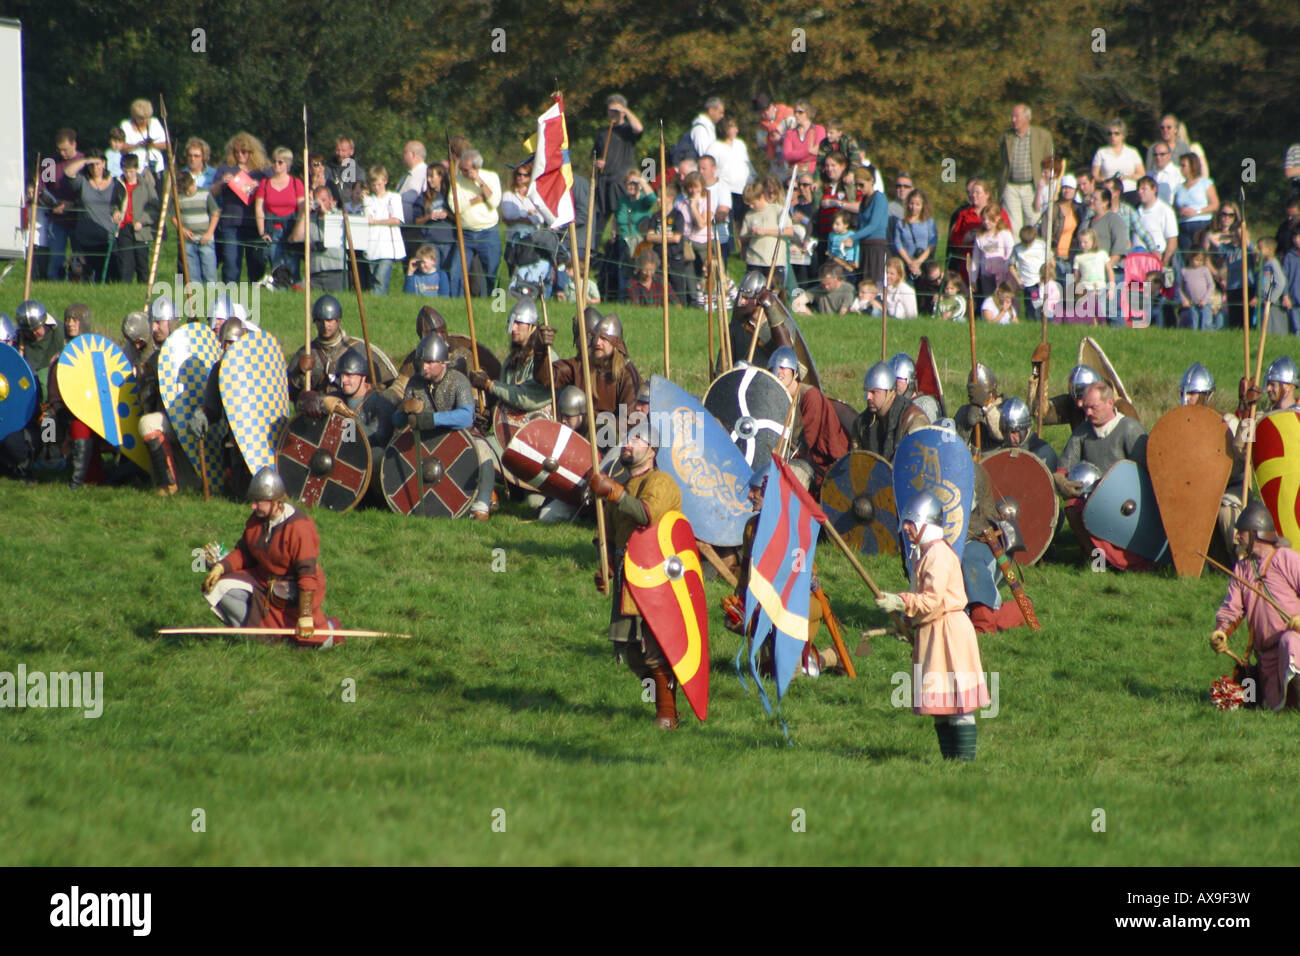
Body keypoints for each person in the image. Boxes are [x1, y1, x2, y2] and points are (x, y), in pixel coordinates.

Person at [586, 411, 684, 729]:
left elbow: (645, 514)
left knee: (655, 648)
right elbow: (612, 536)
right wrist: (606, 567)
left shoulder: (661, 482)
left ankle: (666, 714)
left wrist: (612, 491)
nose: (627, 444)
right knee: (631, 652)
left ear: (652, 450)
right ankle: (662, 703)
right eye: (626, 440)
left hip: (655, 578)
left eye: (636, 439)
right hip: (627, 577)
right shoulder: (625, 485)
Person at [875, 491, 990, 760]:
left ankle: (963, 764)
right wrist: (908, 622)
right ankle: (949, 763)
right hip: (934, 632)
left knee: (958, 702)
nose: (905, 527)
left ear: (926, 524)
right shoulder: (924, 553)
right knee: (939, 704)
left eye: (911, 523)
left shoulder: (937, 554)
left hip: (949, 632)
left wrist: (900, 601)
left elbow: (932, 600)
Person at [201, 466, 339, 648]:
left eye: (259, 502)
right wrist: (221, 567)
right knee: (217, 587)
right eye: (253, 501)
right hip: (263, 583)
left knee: (309, 643)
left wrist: (305, 615)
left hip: (292, 595)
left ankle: (330, 631)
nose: (253, 506)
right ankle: (253, 636)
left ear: (276, 502)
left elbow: (307, 575)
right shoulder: (256, 521)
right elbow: (244, 552)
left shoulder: (299, 528)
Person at [1054, 380, 1151, 571]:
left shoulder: (1130, 430)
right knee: (1073, 508)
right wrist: (1061, 482)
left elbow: (1144, 475)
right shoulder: (1082, 432)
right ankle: (1098, 564)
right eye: (1086, 408)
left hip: (1127, 502)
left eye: (1093, 407)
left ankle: (1132, 563)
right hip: (1090, 500)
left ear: (1110, 403)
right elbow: (1063, 469)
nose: (1088, 413)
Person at [1210, 504, 1300, 711]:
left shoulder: (1287, 559)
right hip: (1267, 657)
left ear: (1256, 533)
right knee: (1226, 697)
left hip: (1295, 643)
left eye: (1242, 532)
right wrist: (1221, 631)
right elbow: (1231, 608)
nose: (1237, 537)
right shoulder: (1242, 569)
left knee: (1290, 641)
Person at [396, 333, 495, 521]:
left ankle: (481, 504)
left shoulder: (458, 381)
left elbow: (466, 418)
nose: (424, 367)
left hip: (456, 441)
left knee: (482, 448)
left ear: (442, 362)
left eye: (429, 363)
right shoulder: (415, 383)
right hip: (425, 443)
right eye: (422, 362)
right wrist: (402, 411)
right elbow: (397, 422)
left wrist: (431, 420)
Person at [534, 313, 641, 456]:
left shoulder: (627, 375)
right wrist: (541, 350)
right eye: (596, 337)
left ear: (615, 343)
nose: (597, 343)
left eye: (604, 338)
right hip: (576, 439)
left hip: (610, 447)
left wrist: (592, 422)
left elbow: (630, 420)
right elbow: (547, 377)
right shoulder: (581, 364)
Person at [769, 346, 848, 489]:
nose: (778, 372)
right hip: (786, 456)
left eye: (783, 367)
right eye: (775, 368)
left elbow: (807, 443)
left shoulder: (809, 396)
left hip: (816, 463)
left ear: (794, 372)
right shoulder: (775, 397)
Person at [211, 132, 271, 282]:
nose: (240, 155)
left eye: (244, 152)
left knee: (256, 262)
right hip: (231, 223)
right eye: (236, 151)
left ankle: (255, 290)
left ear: (252, 152)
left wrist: (260, 185)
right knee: (231, 262)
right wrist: (222, 182)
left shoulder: (262, 170)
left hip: (254, 223)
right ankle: (229, 293)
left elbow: (273, 188)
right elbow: (212, 192)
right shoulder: (226, 167)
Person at [60, 149, 124, 283]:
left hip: (108, 235)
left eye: (98, 164)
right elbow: (68, 172)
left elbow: (120, 203)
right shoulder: (82, 182)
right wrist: (86, 160)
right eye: (92, 165)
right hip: (86, 238)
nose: (95, 168)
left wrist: (118, 212)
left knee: (113, 274)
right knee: (91, 275)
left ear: (104, 164)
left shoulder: (115, 183)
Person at [447, 149, 502, 298]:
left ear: (476, 168)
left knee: (491, 270)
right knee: (456, 270)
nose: (462, 172)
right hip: (465, 233)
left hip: (488, 232)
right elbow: (455, 206)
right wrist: (476, 200)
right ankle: (455, 301)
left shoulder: (491, 177)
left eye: (466, 169)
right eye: (461, 168)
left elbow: (494, 202)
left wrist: (481, 183)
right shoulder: (456, 180)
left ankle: (492, 300)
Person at [592, 94, 644, 247]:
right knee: (598, 219)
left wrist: (625, 111)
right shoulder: (602, 132)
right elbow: (594, 156)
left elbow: (639, 128)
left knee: (622, 217)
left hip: (621, 181)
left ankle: (625, 249)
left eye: (616, 110)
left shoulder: (628, 131)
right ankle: (593, 253)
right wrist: (597, 163)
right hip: (603, 181)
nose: (612, 113)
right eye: (610, 110)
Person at [852, 361, 929, 460]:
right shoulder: (862, 424)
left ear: (890, 392)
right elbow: (856, 463)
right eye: (867, 391)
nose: (868, 397)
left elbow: (918, 464)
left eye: (874, 392)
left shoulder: (913, 420)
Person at [999, 103, 1055, 235]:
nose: (1013, 120)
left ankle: (1032, 252)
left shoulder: (1043, 136)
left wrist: (1045, 181)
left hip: (1032, 186)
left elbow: (1050, 160)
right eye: (1012, 116)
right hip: (1011, 186)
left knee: (1033, 221)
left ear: (1027, 117)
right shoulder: (1006, 136)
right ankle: (1015, 253)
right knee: (1012, 225)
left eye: (1016, 116)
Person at [175, 169, 220, 282]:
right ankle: (196, 295)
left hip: (206, 238)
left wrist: (209, 233)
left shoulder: (205, 194)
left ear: (193, 182)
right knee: (192, 274)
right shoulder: (178, 197)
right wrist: (182, 229)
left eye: (189, 189)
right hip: (188, 240)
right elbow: (173, 217)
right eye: (184, 190)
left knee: (209, 272)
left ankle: (211, 295)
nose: (188, 193)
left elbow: (215, 213)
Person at [997, 396, 1058, 471]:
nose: (1010, 437)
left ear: (1025, 428)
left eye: (1014, 432)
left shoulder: (1042, 453)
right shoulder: (1002, 452)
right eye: (1006, 431)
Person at [1172, 153, 1218, 251]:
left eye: (1183, 165)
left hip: (1201, 224)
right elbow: (1174, 207)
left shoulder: (1205, 183)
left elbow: (1215, 205)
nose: (1181, 168)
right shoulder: (1178, 188)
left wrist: (1196, 211)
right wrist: (1180, 212)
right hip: (1183, 225)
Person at [1090, 119, 1145, 199]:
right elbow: (1094, 175)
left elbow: (1141, 174)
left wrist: (1127, 176)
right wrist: (1105, 180)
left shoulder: (1132, 152)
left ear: (1123, 135)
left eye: (1116, 133)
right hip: (1108, 194)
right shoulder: (1101, 152)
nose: (1113, 136)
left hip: (1130, 192)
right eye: (1110, 134)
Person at [1134, 175, 1180, 268]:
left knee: (1149, 283)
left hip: (1154, 261)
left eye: (1144, 189)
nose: (1139, 192)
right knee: (1134, 284)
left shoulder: (1165, 210)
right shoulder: (1135, 210)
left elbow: (1172, 240)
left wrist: (1164, 264)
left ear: (1154, 189)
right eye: (1138, 189)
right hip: (1135, 262)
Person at [891, 188, 936, 281]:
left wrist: (919, 262)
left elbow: (932, 244)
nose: (913, 207)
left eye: (917, 204)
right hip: (906, 264)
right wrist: (909, 262)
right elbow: (898, 244)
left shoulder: (929, 222)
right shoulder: (901, 223)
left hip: (924, 264)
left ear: (923, 205)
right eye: (911, 203)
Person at [970, 201, 1014, 297]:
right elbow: (975, 258)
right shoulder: (980, 236)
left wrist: (1006, 270)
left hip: (1002, 274)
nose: (986, 222)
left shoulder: (1004, 233)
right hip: (986, 274)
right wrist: (973, 278)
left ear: (997, 218)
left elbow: (1010, 253)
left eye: (990, 219)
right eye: (984, 219)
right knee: (989, 298)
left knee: (1002, 298)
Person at [781, 100, 826, 181]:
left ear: (808, 113)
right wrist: (808, 151)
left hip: (813, 175)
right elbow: (787, 156)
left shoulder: (819, 130)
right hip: (794, 176)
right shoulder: (790, 133)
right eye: (795, 112)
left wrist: (797, 157)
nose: (796, 115)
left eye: (800, 112)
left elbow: (819, 153)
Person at [120, 98, 167, 175]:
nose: (145, 121)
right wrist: (136, 145)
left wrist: (152, 145)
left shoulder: (155, 123)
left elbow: (166, 144)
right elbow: (120, 147)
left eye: (148, 118)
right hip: (133, 171)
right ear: (134, 116)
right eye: (141, 118)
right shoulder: (125, 126)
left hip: (155, 168)